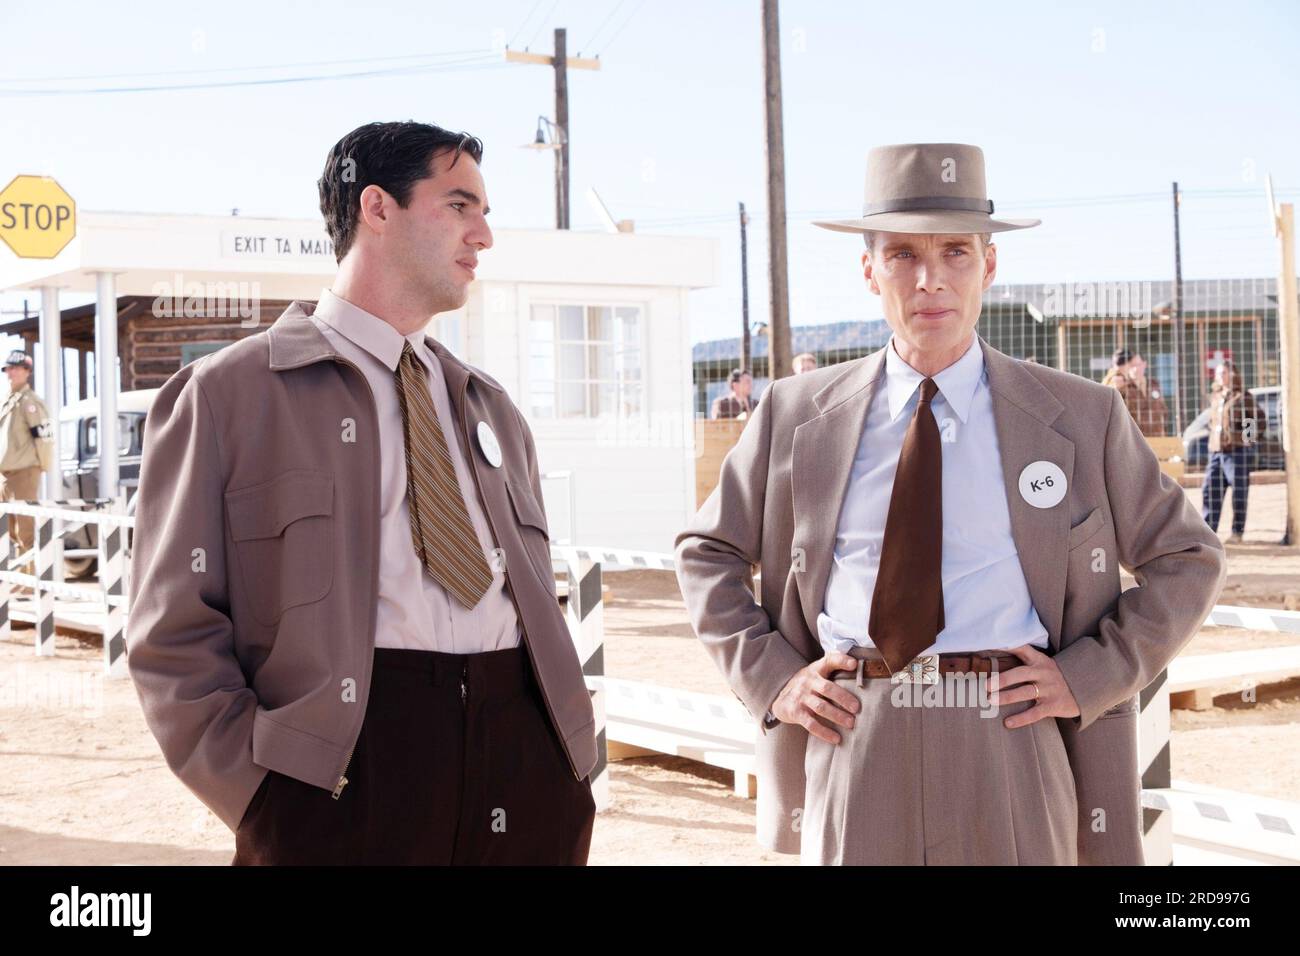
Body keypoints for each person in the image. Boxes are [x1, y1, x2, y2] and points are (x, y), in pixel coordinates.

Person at [675, 143, 1226, 865]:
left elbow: (1188, 557)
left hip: (1011, 736)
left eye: (956, 252)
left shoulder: (1079, 416)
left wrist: (1089, 674)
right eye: (902, 254)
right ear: (867, 269)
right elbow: (705, 552)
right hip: (854, 731)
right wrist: (775, 679)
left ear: (990, 266)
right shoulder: (795, 413)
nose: (930, 279)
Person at [127, 121, 597, 865]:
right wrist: (262, 799)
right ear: (376, 208)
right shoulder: (226, 398)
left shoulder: (489, 406)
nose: (485, 235)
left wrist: (566, 767)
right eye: (460, 205)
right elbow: (170, 633)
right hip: (340, 789)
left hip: (526, 776)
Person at [0, 349, 53, 593]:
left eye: (15, 368)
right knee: (9, 529)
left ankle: (31, 581)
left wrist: (42, 466)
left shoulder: (29, 402)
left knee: (26, 528)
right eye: (8, 368)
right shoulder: (8, 399)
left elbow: (43, 437)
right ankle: (22, 576)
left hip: (24, 471)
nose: (10, 373)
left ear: (27, 371)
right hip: (6, 473)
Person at [1202, 359, 1260, 544]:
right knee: (1210, 490)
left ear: (1232, 374)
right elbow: (1213, 422)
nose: (1219, 376)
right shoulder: (1216, 396)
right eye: (1217, 373)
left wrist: (1247, 443)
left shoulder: (1243, 396)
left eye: (1223, 373)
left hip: (1236, 453)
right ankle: (1208, 532)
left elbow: (1254, 419)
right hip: (1216, 452)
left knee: (1239, 493)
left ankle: (1237, 532)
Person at [1102, 349, 1168, 437]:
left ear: (1145, 364)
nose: (1135, 368)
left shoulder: (1154, 384)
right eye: (1132, 365)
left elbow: (1163, 409)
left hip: (1158, 437)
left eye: (1138, 365)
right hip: (1135, 439)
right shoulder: (1122, 385)